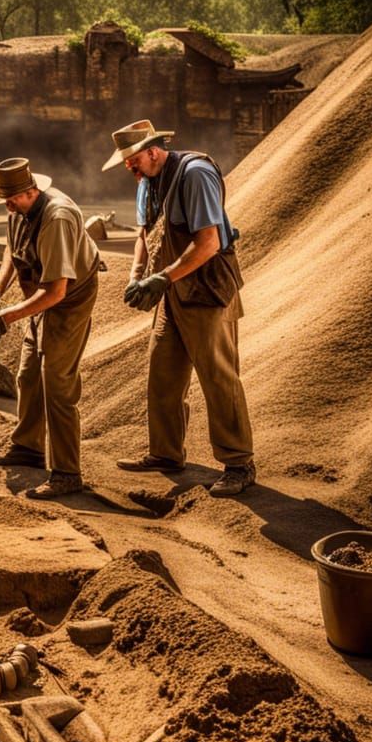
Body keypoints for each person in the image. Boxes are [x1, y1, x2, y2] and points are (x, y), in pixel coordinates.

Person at [103, 119, 255, 497]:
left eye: (133, 159)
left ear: (154, 151)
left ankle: (239, 463)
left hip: (206, 292)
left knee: (219, 379)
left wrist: (162, 279)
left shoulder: (196, 175)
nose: (129, 167)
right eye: (125, 162)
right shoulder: (147, 183)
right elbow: (145, 234)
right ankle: (167, 454)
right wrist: (137, 275)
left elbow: (208, 243)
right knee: (163, 375)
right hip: (173, 293)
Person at [0, 157, 101, 499]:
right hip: (40, 292)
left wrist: (6, 316)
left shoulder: (57, 218)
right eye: (4, 197)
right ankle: (29, 448)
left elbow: (57, 291)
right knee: (27, 374)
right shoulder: (18, 210)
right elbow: (12, 249)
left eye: (12, 197)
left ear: (32, 191)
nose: (7, 204)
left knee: (56, 382)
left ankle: (66, 472)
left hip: (68, 299)